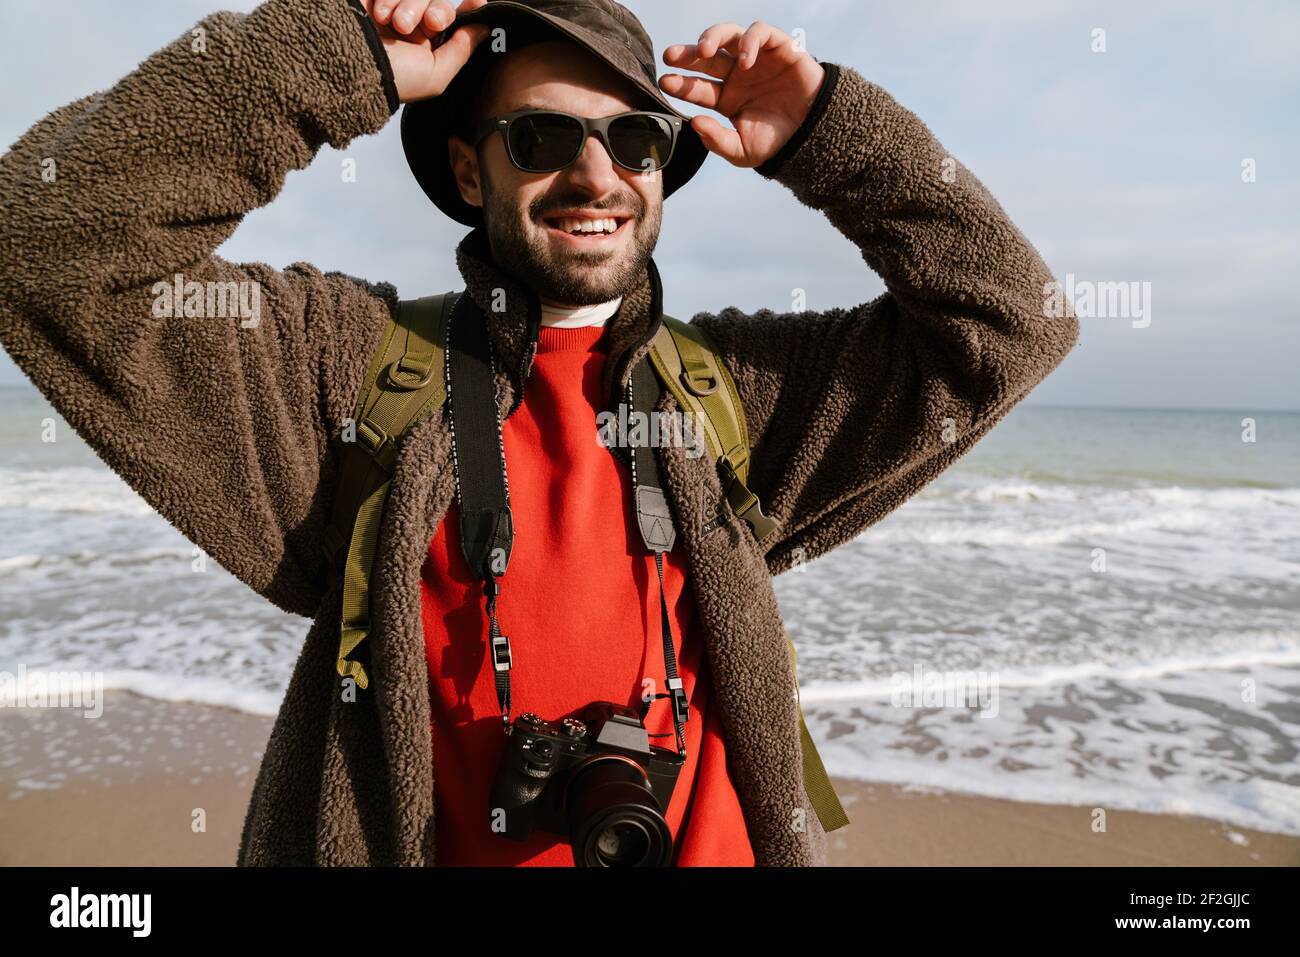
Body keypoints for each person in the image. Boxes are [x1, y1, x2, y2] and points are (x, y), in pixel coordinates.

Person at [0, 0, 1080, 866]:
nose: (597, 175)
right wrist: (331, 52)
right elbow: (43, 240)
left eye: (635, 139)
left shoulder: (737, 393)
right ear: (471, 170)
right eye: (543, 135)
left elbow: (1012, 321)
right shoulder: (346, 370)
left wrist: (830, 135)